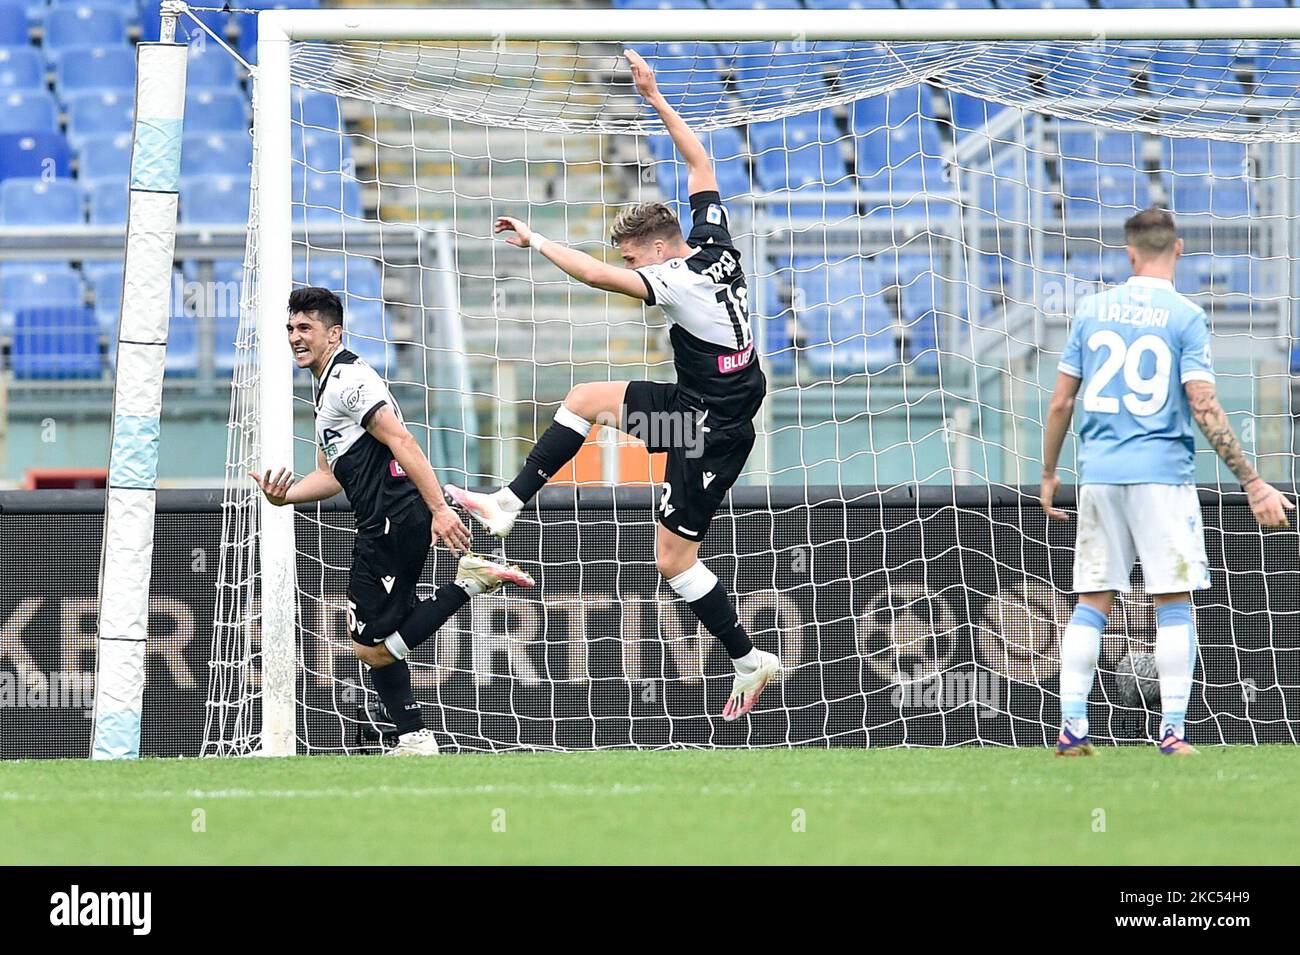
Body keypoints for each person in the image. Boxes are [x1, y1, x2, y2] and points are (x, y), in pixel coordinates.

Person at [444, 50, 781, 721]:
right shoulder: (713, 245)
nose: (626, 265)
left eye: (632, 255)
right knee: (585, 401)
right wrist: (655, 99)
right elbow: (701, 167)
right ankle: (509, 503)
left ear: (657, 249)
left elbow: (599, 278)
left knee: (674, 561)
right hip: (697, 406)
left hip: (707, 430)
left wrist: (537, 240)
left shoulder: (678, 279)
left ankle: (750, 659)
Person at [1040, 208, 1293, 757]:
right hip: (1161, 478)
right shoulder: (1184, 316)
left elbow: (1061, 400)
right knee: (1173, 602)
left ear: (1129, 253)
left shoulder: (1091, 310)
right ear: (1177, 249)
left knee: (1091, 601)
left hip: (1100, 478)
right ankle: (1173, 732)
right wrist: (1252, 481)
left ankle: (1072, 730)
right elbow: (1203, 405)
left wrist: (1048, 473)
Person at [252, 287, 535, 756]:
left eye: (305, 328)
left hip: (392, 519)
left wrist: (441, 510)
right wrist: (284, 498)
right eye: (290, 329)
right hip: (387, 518)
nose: (295, 337)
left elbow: (402, 440)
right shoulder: (326, 386)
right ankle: (413, 736)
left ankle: (468, 586)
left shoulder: (348, 381)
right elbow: (328, 475)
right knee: (379, 641)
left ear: (333, 333)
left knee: (368, 646)